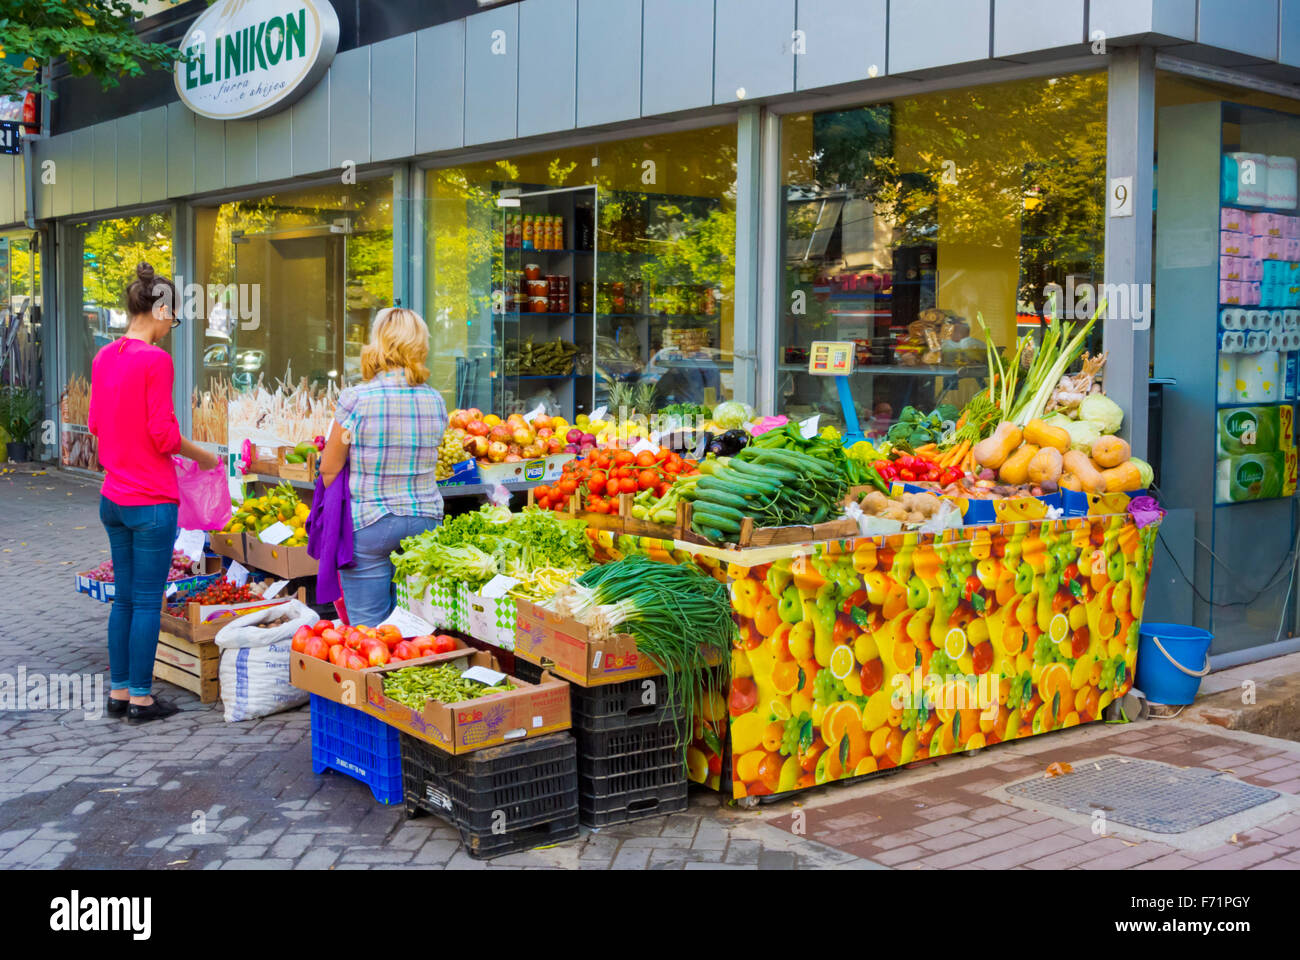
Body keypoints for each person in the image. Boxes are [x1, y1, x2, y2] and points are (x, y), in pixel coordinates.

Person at [89, 262, 220, 724]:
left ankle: (119, 691)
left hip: (113, 498)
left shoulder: (104, 357)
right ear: (160, 309)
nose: (172, 327)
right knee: (147, 600)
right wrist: (203, 456)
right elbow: (164, 436)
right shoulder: (154, 360)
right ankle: (142, 699)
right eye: (174, 318)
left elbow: (95, 425)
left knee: (123, 598)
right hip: (150, 501)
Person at [319, 308, 447, 626]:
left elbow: (329, 468)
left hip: (371, 522)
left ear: (377, 343)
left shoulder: (357, 399)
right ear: (420, 345)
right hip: (425, 522)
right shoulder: (436, 400)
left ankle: (376, 674)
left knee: (369, 630)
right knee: (418, 623)